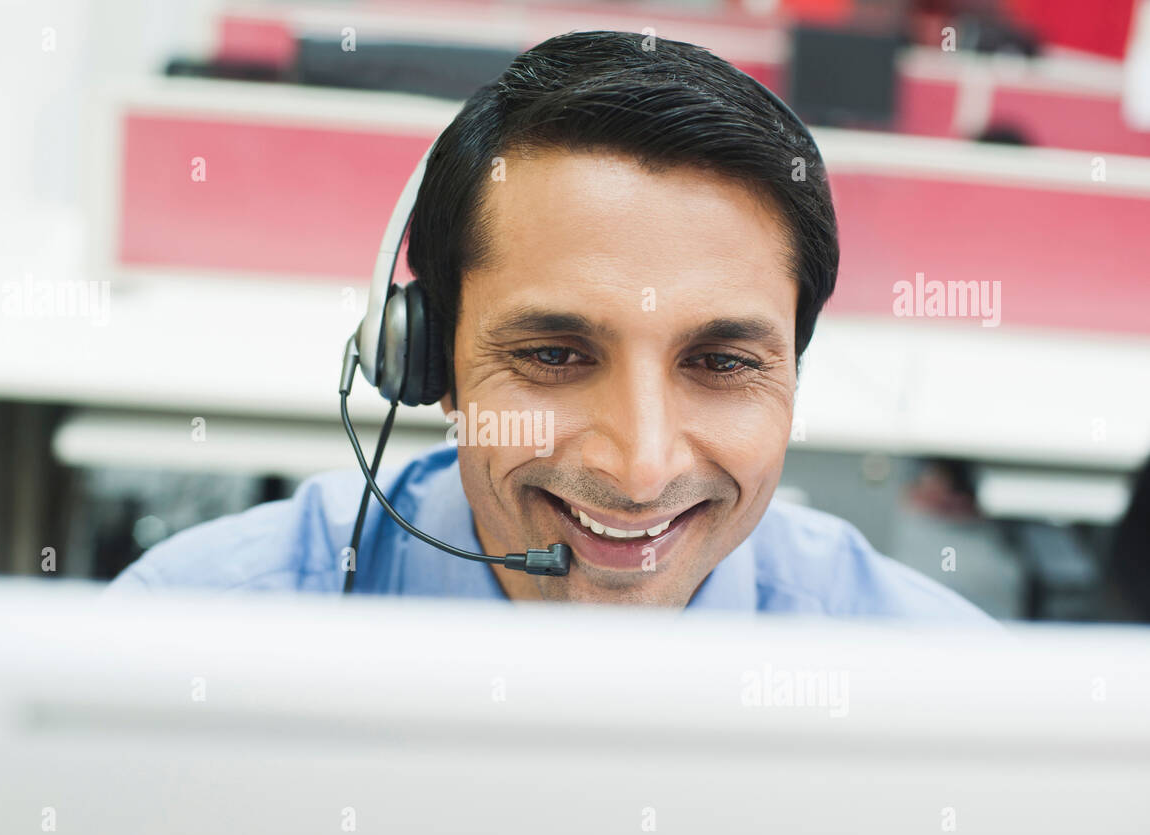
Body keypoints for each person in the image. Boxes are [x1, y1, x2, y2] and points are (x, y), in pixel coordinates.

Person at [110, 30, 992, 623]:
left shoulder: (945, 699)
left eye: (721, 362)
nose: (640, 468)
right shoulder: (186, 640)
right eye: (554, 354)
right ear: (429, 361)